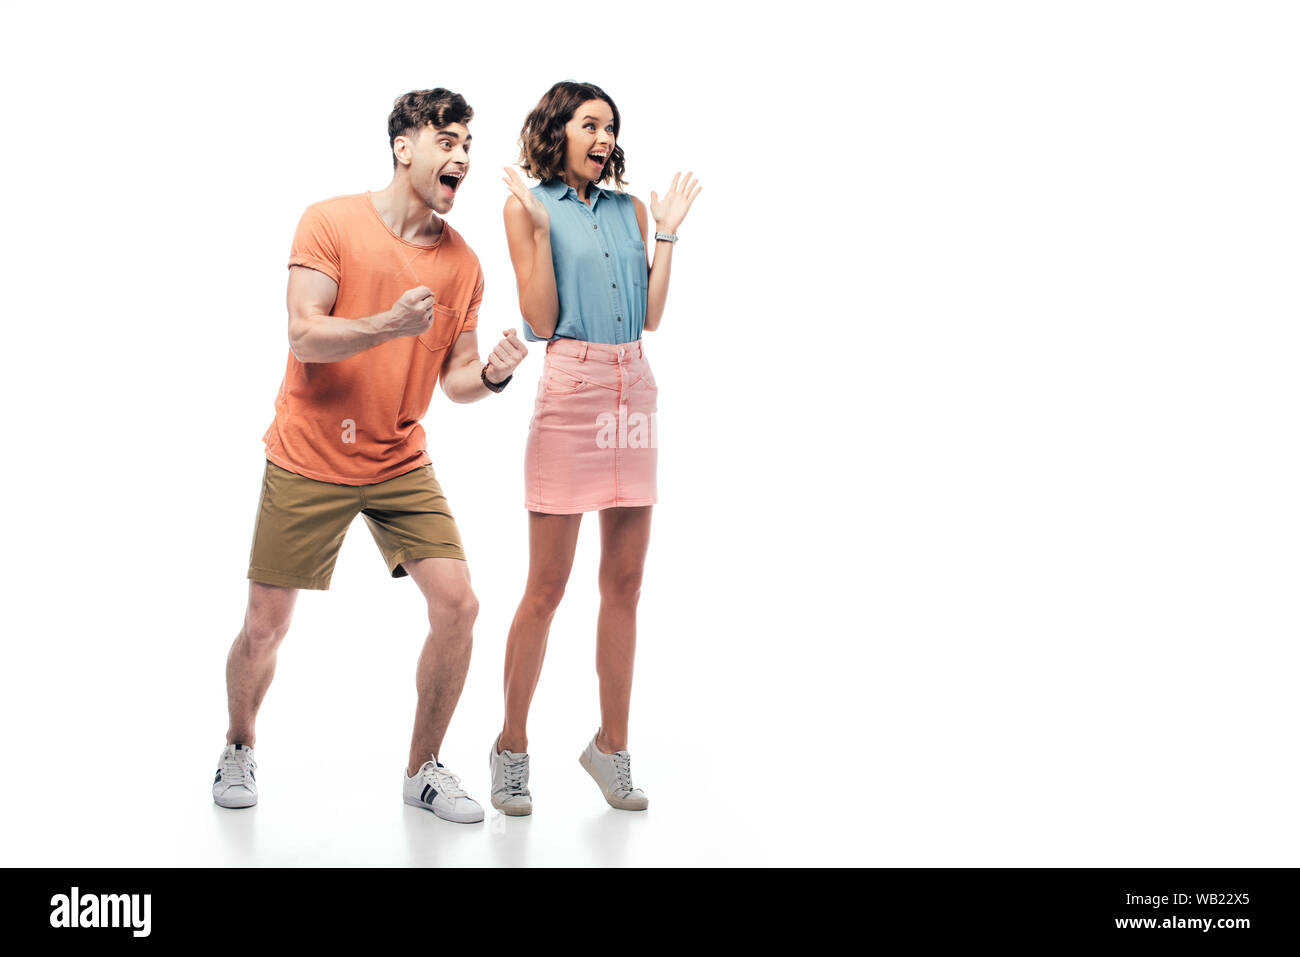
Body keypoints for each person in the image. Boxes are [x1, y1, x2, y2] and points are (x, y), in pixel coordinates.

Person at [211, 88, 528, 824]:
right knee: (265, 626)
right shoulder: (330, 221)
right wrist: (388, 323)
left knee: (459, 604)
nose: (461, 157)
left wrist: (494, 374)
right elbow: (303, 333)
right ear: (403, 147)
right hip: (308, 455)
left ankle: (423, 768)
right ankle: (238, 743)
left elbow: (455, 380)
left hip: (397, 460)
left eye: (468, 145)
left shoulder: (463, 264)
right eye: (446, 141)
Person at [490, 81, 701, 814]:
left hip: (632, 385)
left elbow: (650, 316)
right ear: (559, 130)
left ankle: (612, 746)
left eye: (611, 125)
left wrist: (667, 232)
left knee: (626, 584)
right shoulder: (527, 206)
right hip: (572, 389)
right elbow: (543, 321)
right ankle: (511, 747)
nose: (604, 136)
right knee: (545, 588)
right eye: (590, 124)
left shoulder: (630, 209)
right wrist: (541, 229)